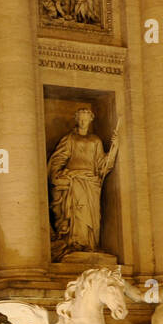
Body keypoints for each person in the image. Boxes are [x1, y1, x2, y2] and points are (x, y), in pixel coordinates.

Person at [47, 106, 119, 255]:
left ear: (90, 120)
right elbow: (58, 158)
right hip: (74, 179)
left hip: (91, 181)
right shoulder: (70, 139)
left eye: (85, 119)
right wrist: (58, 174)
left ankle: (89, 244)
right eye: (80, 119)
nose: (82, 122)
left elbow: (102, 165)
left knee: (91, 215)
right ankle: (75, 243)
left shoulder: (95, 140)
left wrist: (115, 146)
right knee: (77, 211)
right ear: (76, 119)